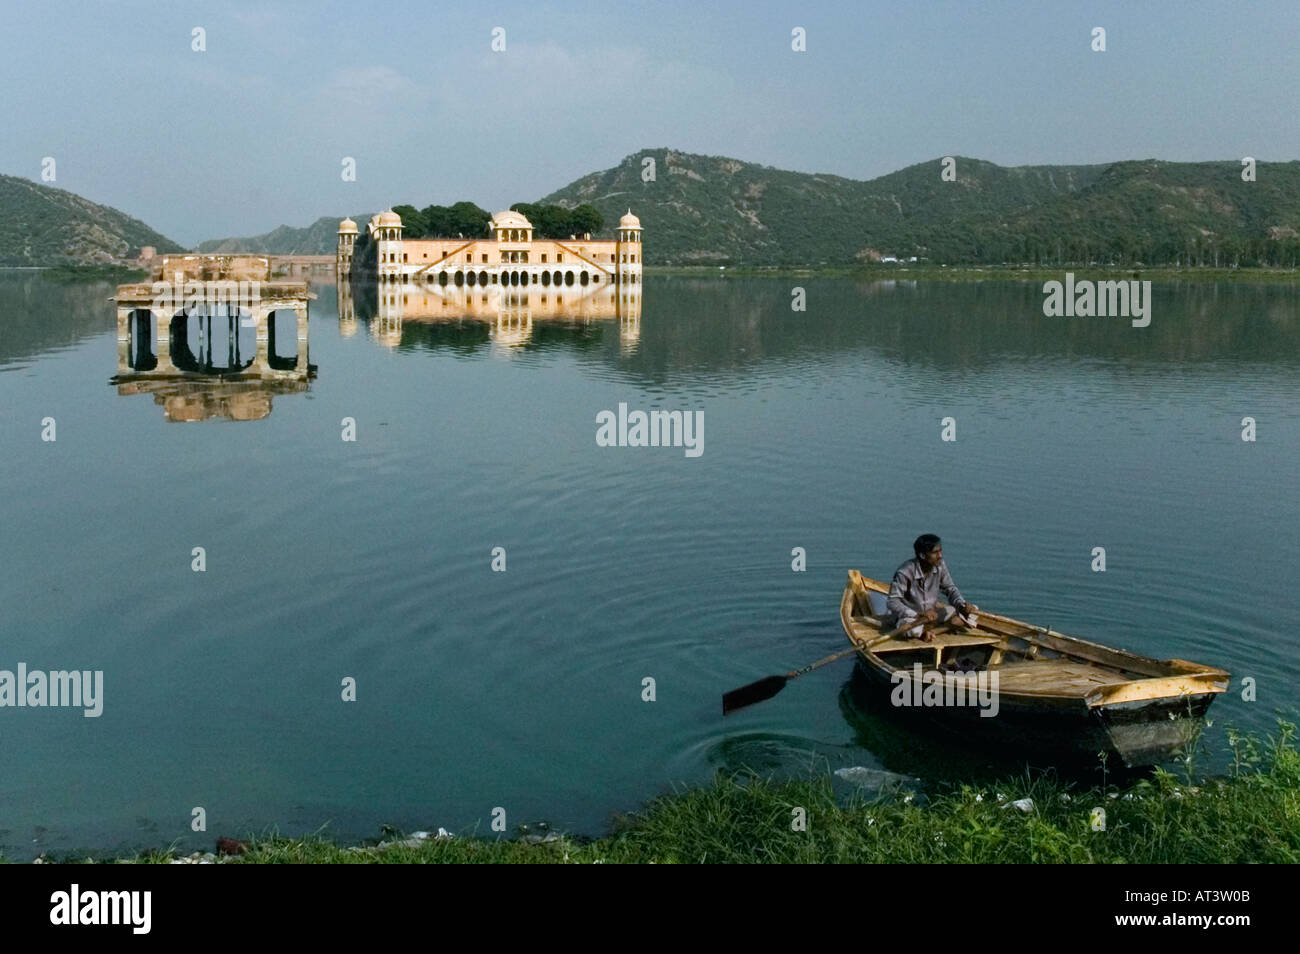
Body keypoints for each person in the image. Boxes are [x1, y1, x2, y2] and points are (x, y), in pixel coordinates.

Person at [884, 534, 978, 641]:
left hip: (932, 616)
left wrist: (962, 604)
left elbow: (950, 588)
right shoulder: (905, 572)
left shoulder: (940, 565)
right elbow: (892, 602)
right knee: (911, 630)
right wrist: (917, 615)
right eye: (935, 552)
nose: (940, 556)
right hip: (910, 618)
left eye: (940, 551)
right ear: (923, 555)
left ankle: (932, 630)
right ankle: (942, 628)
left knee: (953, 610)